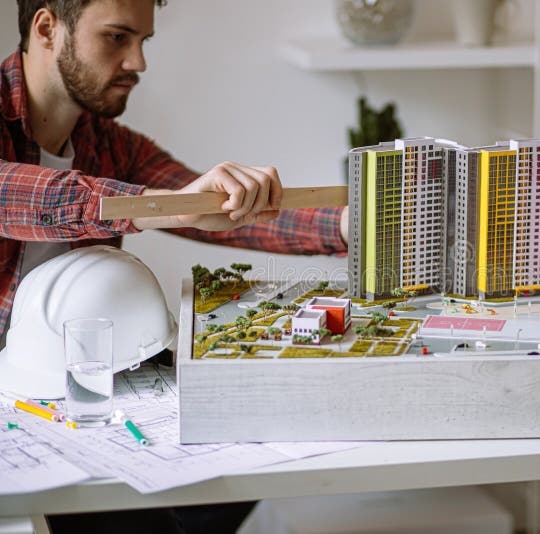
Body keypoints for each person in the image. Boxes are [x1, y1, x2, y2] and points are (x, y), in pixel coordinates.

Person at [1, 0, 348, 531]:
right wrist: (153, 205)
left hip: (82, 392)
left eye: (143, 41)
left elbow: (208, 209)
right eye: (117, 37)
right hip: (18, 409)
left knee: (244, 464)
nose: (138, 62)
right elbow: (14, 192)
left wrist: (345, 225)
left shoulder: (110, 144)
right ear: (47, 29)